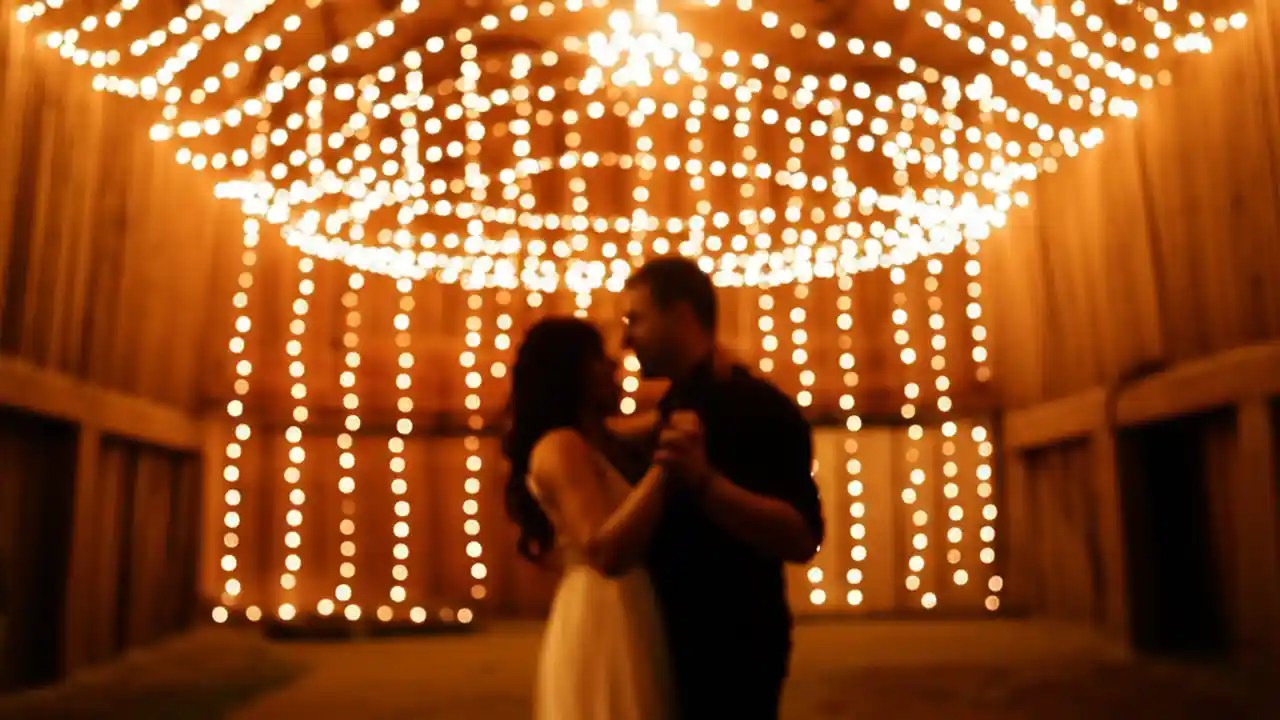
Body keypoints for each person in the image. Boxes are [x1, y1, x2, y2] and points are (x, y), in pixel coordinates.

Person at [622, 256, 824, 719]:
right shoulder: (675, 404)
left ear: (681, 316)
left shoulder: (758, 408)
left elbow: (801, 536)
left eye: (636, 319)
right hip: (664, 639)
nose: (626, 339)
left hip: (732, 640)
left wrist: (704, 483)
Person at [502, 317, 674, 720]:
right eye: (598, 357)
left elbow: (652, 425)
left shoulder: (597, 440)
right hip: (603, 611)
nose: (614, 365)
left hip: (629, 604)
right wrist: (668, 466)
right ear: (570, 372)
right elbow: (603, 548)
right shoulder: (561, 447)